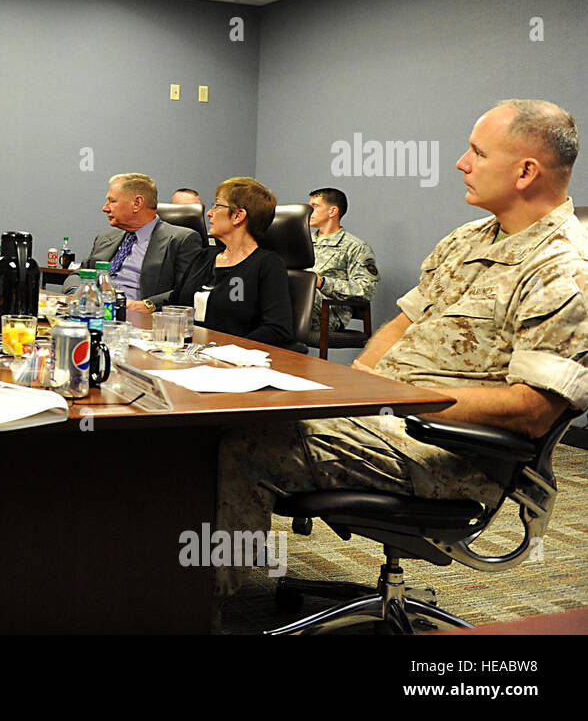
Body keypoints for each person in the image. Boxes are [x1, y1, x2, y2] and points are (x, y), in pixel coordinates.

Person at [217, 100, 588, 594]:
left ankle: (210, 600)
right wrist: (360, 380)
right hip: (381, 415)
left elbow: (531, 411)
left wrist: (395, 397)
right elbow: (401, 323)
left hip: (444, 448)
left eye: (477, 152)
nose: (462, 163)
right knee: (229, 413)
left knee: (238, 440)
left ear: (525, 171)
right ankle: (217, 583)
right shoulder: (465, 239)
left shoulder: (565, 268)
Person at [160, 177, 293, 346]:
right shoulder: (203, 258)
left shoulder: (268, 265)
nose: (209, 213)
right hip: (187, 353)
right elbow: (174, 304)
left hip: (233, 362)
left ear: (238, 215)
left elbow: (277, 329)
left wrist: (228, 349)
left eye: (217, 205)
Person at [63, 173, 200, 314]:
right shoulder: (105, 238)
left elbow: (186, 291)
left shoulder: (181, 240)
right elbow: (78, 274)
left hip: (139, 321)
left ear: (136, 203)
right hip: (94, 314)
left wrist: (148, 304)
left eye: (112, 201)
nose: (105, 208)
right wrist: (79, 294)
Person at [307, 187, 379, 334]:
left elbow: (366, 290)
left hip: (330, 313)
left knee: (297, 293)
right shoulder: (304, 242)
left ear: (332, 211)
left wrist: (323, 283)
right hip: (301, 307)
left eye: (315, 206)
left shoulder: (355, 247)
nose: (309, 211)